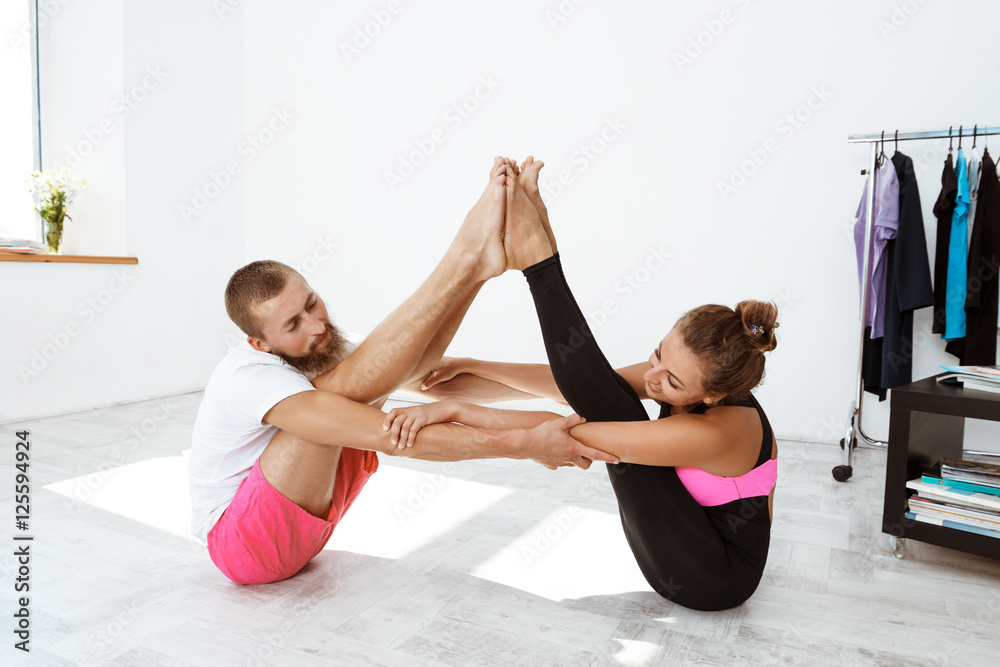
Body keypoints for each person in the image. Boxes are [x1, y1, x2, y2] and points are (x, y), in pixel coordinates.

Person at [188, 157, 618, 586]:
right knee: (325, 413)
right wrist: (522, 445)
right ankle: (464, 259)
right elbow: (389, 435)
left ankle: (478, 269)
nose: (317, 325)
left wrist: (577, 391)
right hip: (246, 547)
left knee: (379, 371)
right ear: (259, 344)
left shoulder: (326, 348)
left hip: (312, 522)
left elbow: (428, 375)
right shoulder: (246, 376)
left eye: (311, 303)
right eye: (292, 325)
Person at [385, 156, 780, 611]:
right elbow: (583, 384)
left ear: (713, 395)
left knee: (612, 419)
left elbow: (570, 431)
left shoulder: (721, 431)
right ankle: (537, 245)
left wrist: (454, 411)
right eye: (656, 355)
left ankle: (537, 258)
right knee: (608, 398)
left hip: (710, 580)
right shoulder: (692, 378)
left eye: (669, 380)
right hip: (678, 542)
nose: (652, 378)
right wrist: (476, 364)